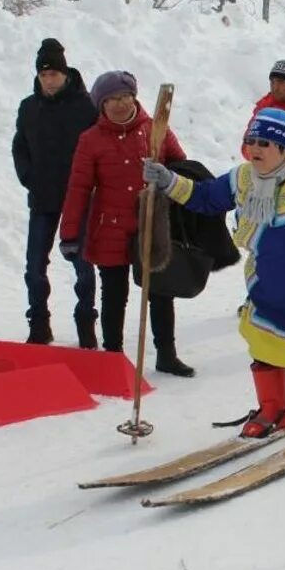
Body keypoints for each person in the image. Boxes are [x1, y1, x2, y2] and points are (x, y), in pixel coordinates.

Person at [142, 109, 285, 446]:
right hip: (268, 288)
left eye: (266, 143)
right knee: (265, 348)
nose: (256, 149)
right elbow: (205, 198)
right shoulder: (242, 178)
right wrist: (168, 182)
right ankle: (273, 409)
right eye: (252, 141)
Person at [58, 70, 194, 377]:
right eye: (111, 100)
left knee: (160, 289)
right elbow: (78, 188)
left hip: (151, 221)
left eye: (124, 97)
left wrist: (163, 175)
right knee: (114, 292)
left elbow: (181, 166)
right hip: (110, 225)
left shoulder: (154, 129)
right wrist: (69, 233)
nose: (119, 104)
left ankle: (166, 354)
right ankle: (113, 355)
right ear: (101, 105)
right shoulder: (90, 140)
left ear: (134, 97)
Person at [12, 39, 99, 347]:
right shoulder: (28, 107)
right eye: (44, 75)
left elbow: (98, 148)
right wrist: (29, 177)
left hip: (79, 198)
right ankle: (39, 324)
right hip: (43, 197)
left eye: (54, 74)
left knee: (83, 265)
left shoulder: (86, 106)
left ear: (65, 74)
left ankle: (86, 324)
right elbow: (19, 147)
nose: (49, 80)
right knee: (34, 266)